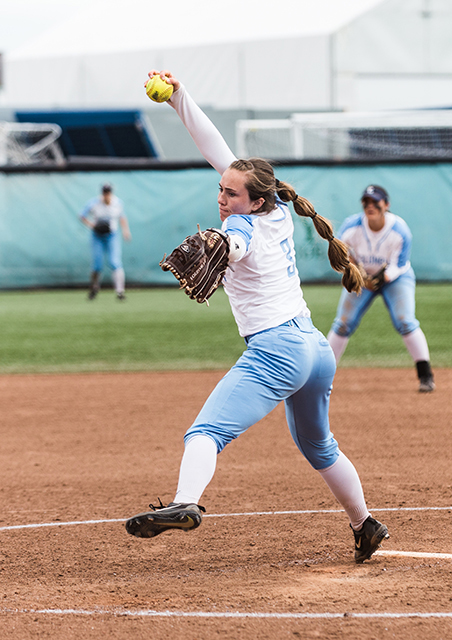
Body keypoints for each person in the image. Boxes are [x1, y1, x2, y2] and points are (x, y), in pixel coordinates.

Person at [125, 70, 390, 564]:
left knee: (205, 433)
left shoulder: (242, 228)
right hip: (313, 349)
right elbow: (215, 145)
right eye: (221, 189)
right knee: (318, 446)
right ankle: (366, 524)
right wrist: (180, 98)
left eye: (230, 193)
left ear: (255, 200)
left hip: (277, 352)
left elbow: (238, 241)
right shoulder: (278, 211)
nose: (221, 197)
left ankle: (185, 503)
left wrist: (222, 242)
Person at [326, 185, 435, 393]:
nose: (370, 206)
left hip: (395, 278)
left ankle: (425, 375)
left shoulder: (399, 230)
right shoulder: (352, 226)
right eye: (366, 202)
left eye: (375, 201)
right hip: (362, 277)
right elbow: (340, 253)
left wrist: (379, 278)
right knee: (343, 323)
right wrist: (355, 271)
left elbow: (398, 264)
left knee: (405, 321)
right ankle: (323, 376)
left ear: (386, 205)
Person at [79, 182, 131, 300]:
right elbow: (82, 215)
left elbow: (122, 217)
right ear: (102, 193)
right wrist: (92, 225)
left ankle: (120, 291)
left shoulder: (117, 203)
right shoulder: (94, 203)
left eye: (108, 192)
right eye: (104, 192)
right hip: (97, 235)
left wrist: (126, 231)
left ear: (111, 193)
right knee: (97, 265)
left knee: (115, 262)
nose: (106, 195)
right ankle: (94, 288)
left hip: (112, 235)